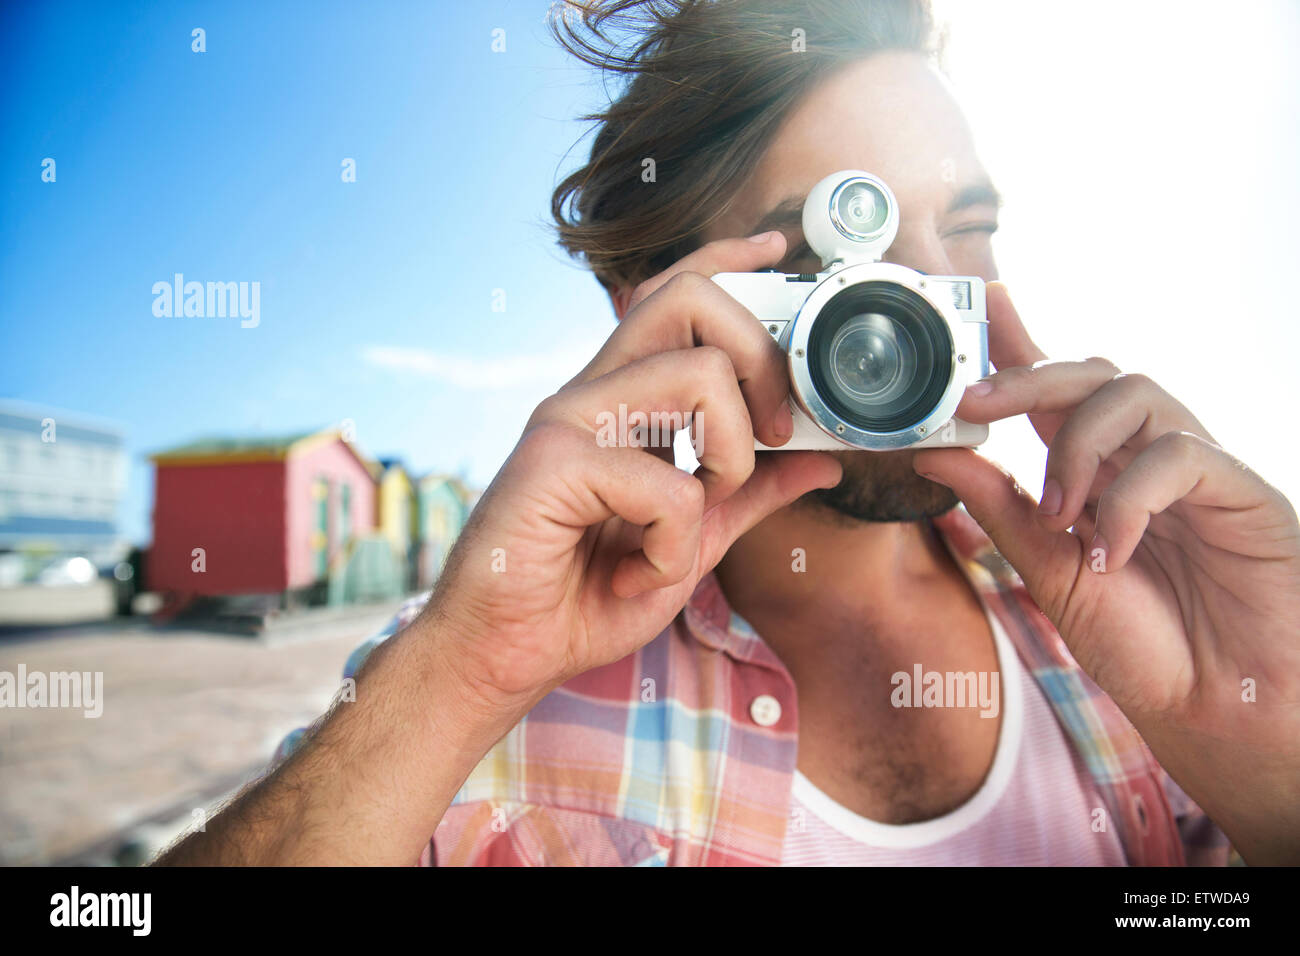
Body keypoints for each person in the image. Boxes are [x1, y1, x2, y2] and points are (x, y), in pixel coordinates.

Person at [156, 0, 1300, 866]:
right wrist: (459, 674)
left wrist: (1262, 746)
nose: (929, 304)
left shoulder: (1122, 626)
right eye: (837, 255)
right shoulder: (491, 680)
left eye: (969, 229)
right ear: (656, 301)